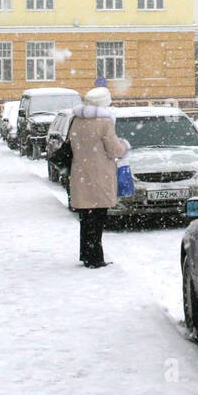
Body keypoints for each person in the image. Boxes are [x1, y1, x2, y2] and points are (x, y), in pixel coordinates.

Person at [66, 87, 130, 268]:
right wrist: (124, 146)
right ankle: (96, 257)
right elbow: (114, 150)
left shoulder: (76, 120)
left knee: (86, 218)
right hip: (100, 176)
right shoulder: (104, 122)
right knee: (98, 218)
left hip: (80, 174)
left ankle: (86, 255)